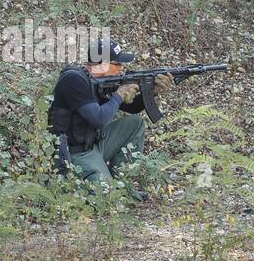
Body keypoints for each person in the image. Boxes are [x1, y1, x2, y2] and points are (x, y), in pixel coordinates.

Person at [46, 37, 174, 197]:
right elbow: (98, 118)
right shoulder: (74, 80)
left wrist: (153, 91)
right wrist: (118, 96)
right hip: (73, 154)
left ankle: (124, 185)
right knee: (109, 198)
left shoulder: (102, 81)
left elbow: (132, 108)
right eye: (117, 64)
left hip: (94, 144)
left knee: (135, 124)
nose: (122, 68)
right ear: (102, 64)